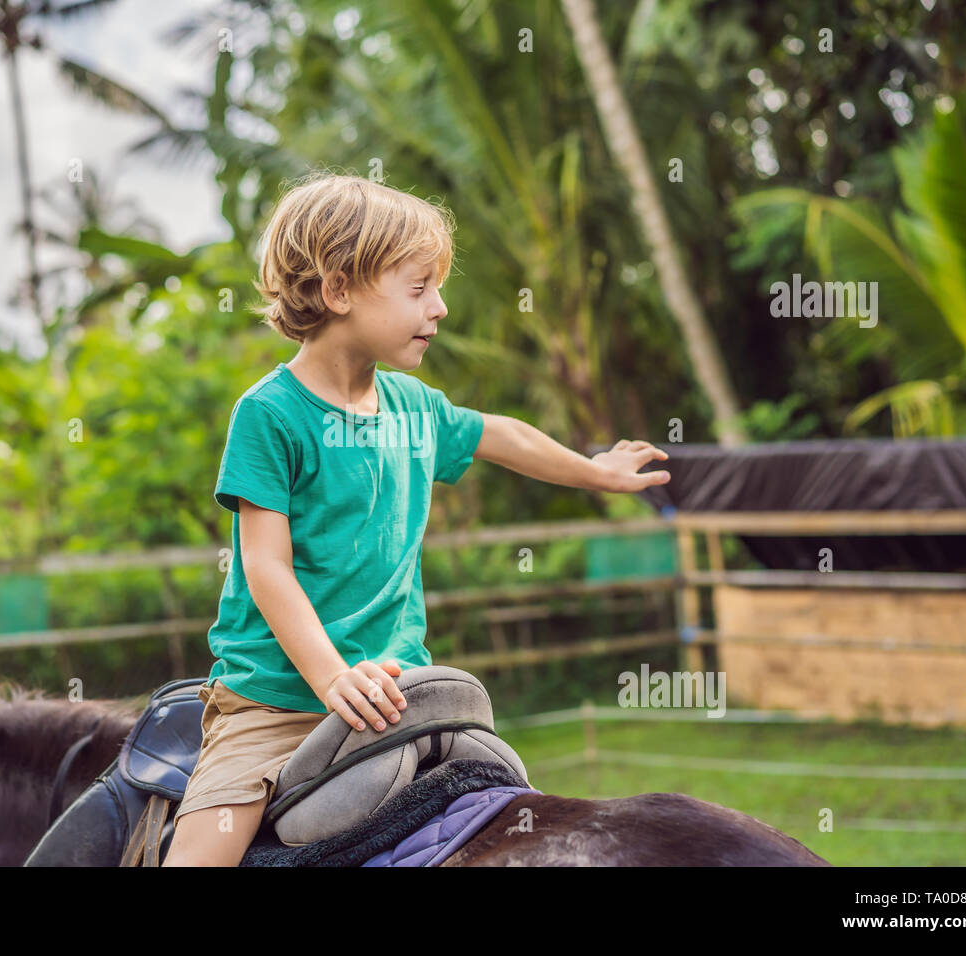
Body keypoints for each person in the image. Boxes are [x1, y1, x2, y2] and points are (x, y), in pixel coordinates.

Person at [161, 171, 670, 866]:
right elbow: (266, 565)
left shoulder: (414, 407)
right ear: (339, 289)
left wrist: (595, 471)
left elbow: (500, 434)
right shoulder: (269, 414)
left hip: (401, 698)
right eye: (419, 287)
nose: (442, 307)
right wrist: (333, 677)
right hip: (273, 707)